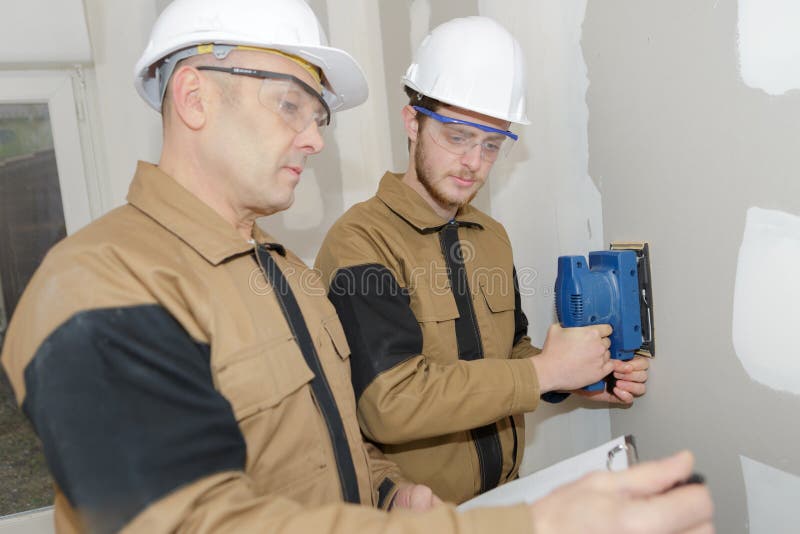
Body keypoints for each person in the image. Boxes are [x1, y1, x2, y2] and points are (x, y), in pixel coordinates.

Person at [0, 1, 711, 533]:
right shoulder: (100, 285)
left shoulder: (288, 277)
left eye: (320, 117)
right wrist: (537, 523)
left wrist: (386, 492)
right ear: (193, 96)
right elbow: (197, 522)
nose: (314, 138)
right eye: (291, 105)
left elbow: (334, 441)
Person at [315, 16, 651, 504]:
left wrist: (576, 379)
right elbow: (389, 402)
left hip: (506, 499)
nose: (474, 162)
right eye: (457, 136)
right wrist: (546, 374)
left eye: (492, 144)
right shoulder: (360, 243)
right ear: (413, 123)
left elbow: (511, 353)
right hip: (418, 516)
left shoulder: (491, 238)